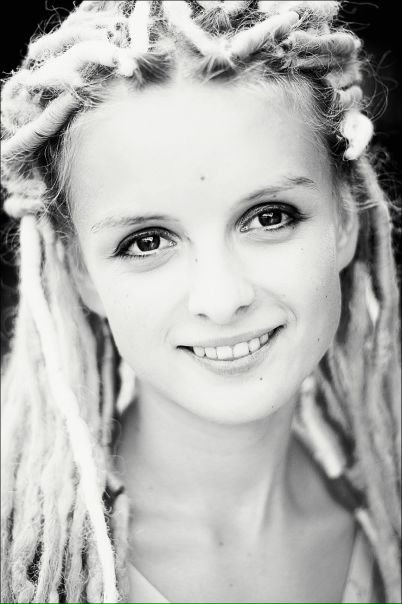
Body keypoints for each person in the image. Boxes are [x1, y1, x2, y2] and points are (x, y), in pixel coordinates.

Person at [1, 1, 400, 603]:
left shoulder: (385, 521)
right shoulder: (31, 570)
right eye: (147, 241)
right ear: (81, 272)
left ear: (345, 219)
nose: (222, 299)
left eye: (269, 217)